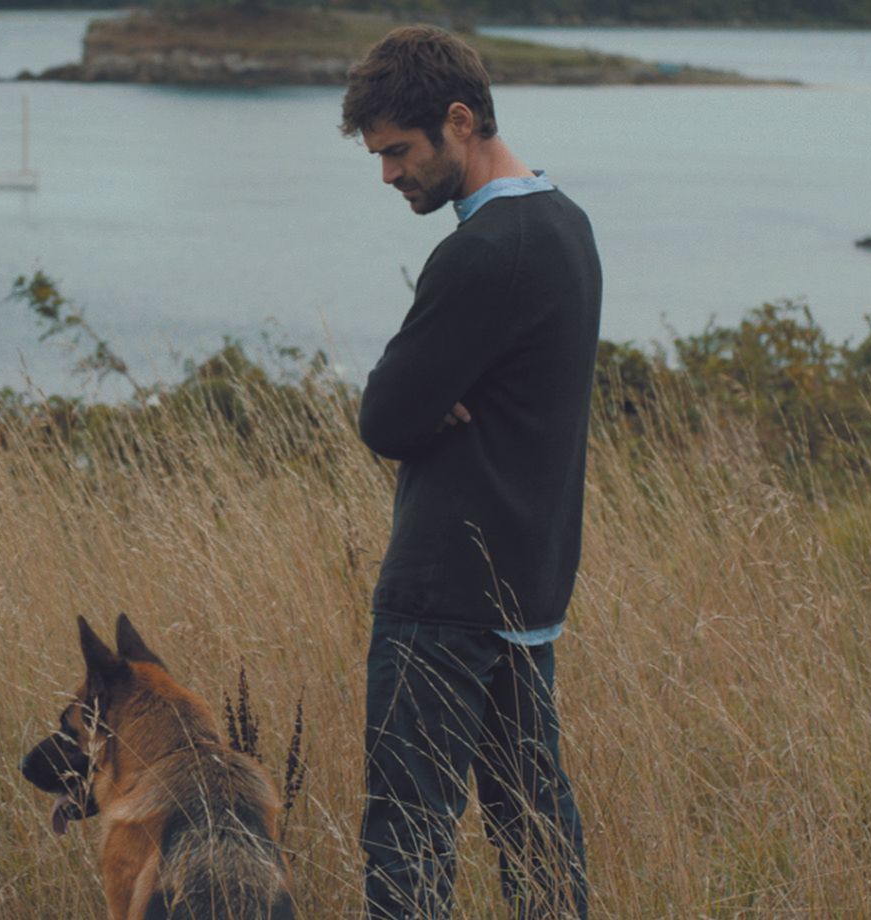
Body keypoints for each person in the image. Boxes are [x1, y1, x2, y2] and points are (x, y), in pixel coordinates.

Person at [339, 25, 601, 920]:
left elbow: (385, 416)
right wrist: (432, 395)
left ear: (460, 121)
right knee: (536, 828)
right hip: (527, 593)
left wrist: (427, 400)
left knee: (408, 840)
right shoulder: (566, 224)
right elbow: (420, 404)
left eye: (400, 152)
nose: (387, 177)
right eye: (377, 157)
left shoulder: (483, 251)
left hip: (445, 595)